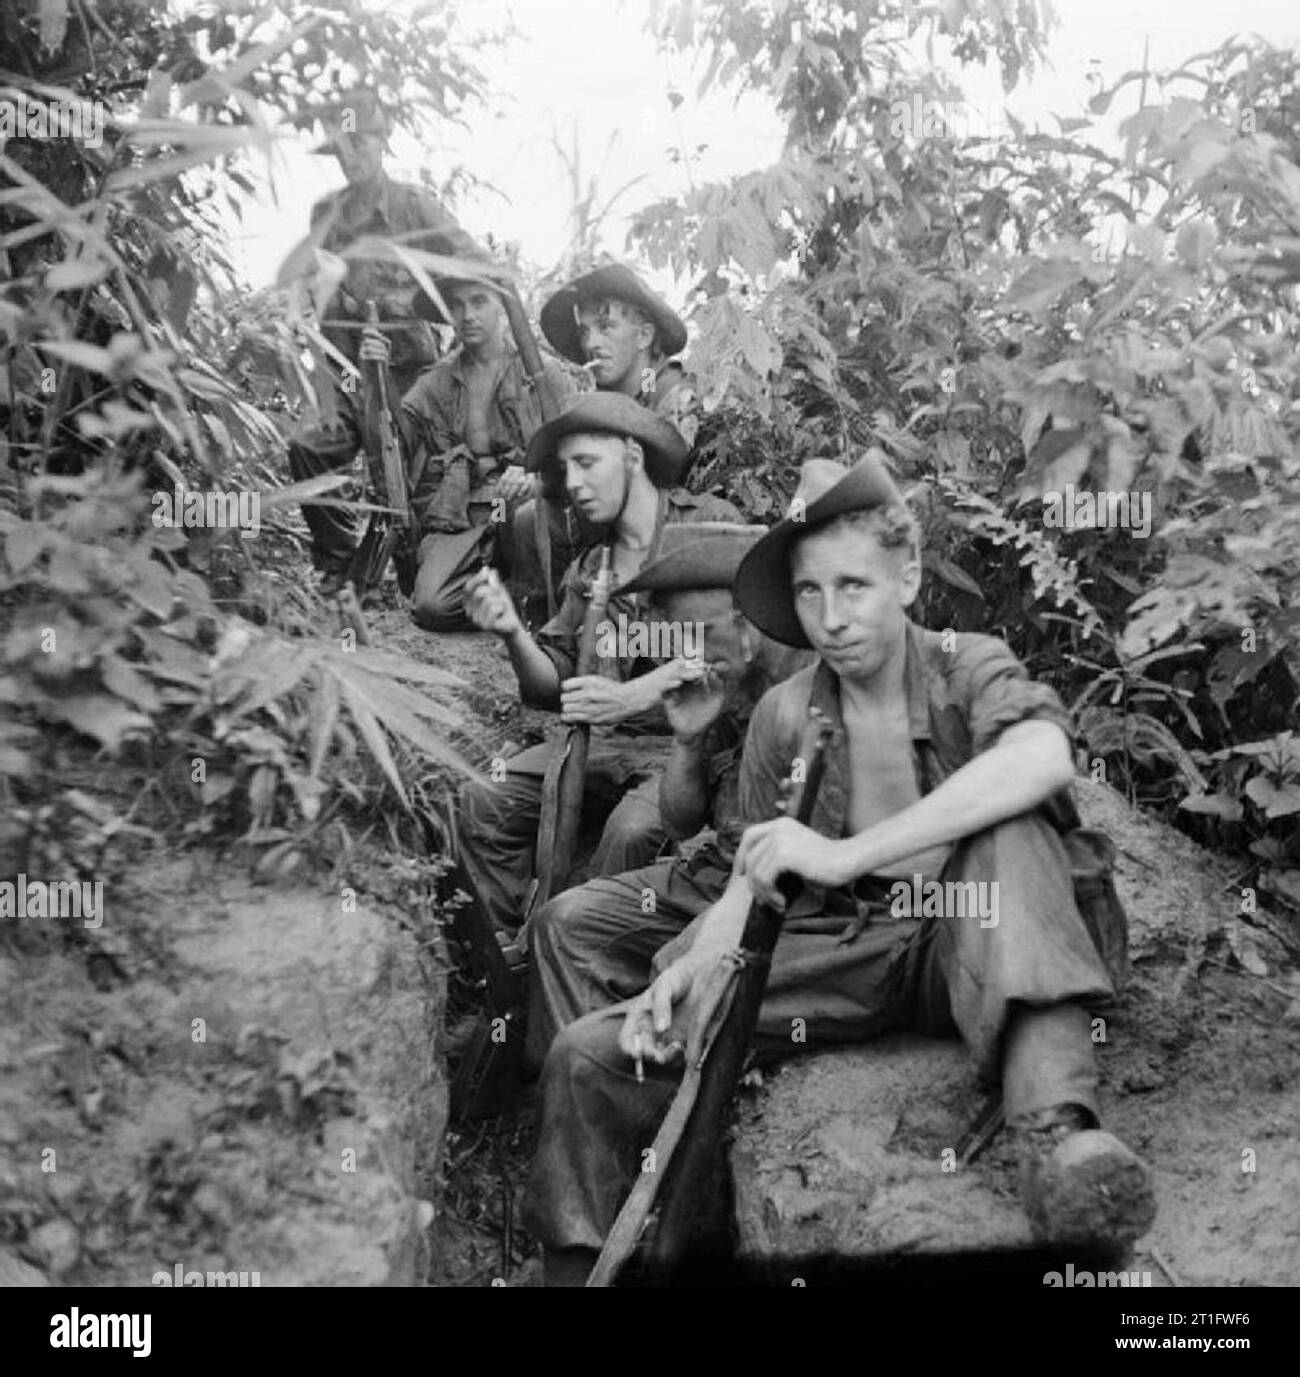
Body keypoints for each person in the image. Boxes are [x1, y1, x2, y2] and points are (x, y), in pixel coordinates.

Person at [523, 451, 1157, 1286]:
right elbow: (753, 873)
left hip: (978, 942)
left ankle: (1056, 1147)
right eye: (811, 593)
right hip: (845, 951)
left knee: (1011, 831)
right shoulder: (787, 714)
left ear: (908, 576)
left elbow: (1042, 756)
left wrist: (852, 849)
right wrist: (684, 971)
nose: (832, 617)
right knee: (588, 1052)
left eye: (853, 586)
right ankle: (577, 1265)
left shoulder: (965, 666)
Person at [523, 523, 810, 1071]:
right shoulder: (727, 674)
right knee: (562, 923)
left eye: (696, 637)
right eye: (676, 640)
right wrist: (688, 740)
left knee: (672, 971)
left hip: (778, 901)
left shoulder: (809, 685)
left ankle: (610, 1077)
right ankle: (570, 1080)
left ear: (746, 627)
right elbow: (680, 824)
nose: (686, 657)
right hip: (712, 875)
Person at [456, 392, 740, 943]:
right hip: (606, 746)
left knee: (630, 833)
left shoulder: (711, 523)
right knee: (483, 798)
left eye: (587, 462)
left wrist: (637, 696)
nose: (576, 483)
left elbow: (741, 657)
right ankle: (512, 966)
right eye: (567, 469)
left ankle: (589, 974)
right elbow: (554, 687)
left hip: (692, 751)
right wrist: (512, 631)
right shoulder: (592, 564)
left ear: (632, 455)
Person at [286, 95, 482, 585]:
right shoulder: (325, 213)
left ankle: (410, 566)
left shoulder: (415, 205)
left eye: (359, 143)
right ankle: (336, 562)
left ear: (381, 143)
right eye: (341, 148)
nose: (351, 157)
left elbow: (472, 266)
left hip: (409, 376)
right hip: (348, 375)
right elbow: (310, 283)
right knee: (307, 446)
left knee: (410, 497)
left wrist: (408, 306)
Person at [360, 274, 577, 629]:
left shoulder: (541, 373)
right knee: (431, 607)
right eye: (457, 306)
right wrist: (373, 375)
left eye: (479, 302)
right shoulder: (436, 380)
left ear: (501, 309)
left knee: (523, 520)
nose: (468, 315)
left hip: (525, 508)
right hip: (466, 515)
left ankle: (529, 601)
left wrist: (535, 477)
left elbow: (577, 452)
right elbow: (389, 443)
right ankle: (498, 592)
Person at [512, 265, 700, 620]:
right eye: (585, 332)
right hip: (605, 520)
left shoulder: (670, 392)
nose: (591, 344)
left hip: (658, 531)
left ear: (644, 336)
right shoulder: (602, 392)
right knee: (526, 515)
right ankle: (547, 624)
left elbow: (667, 478)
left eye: (606, 327)